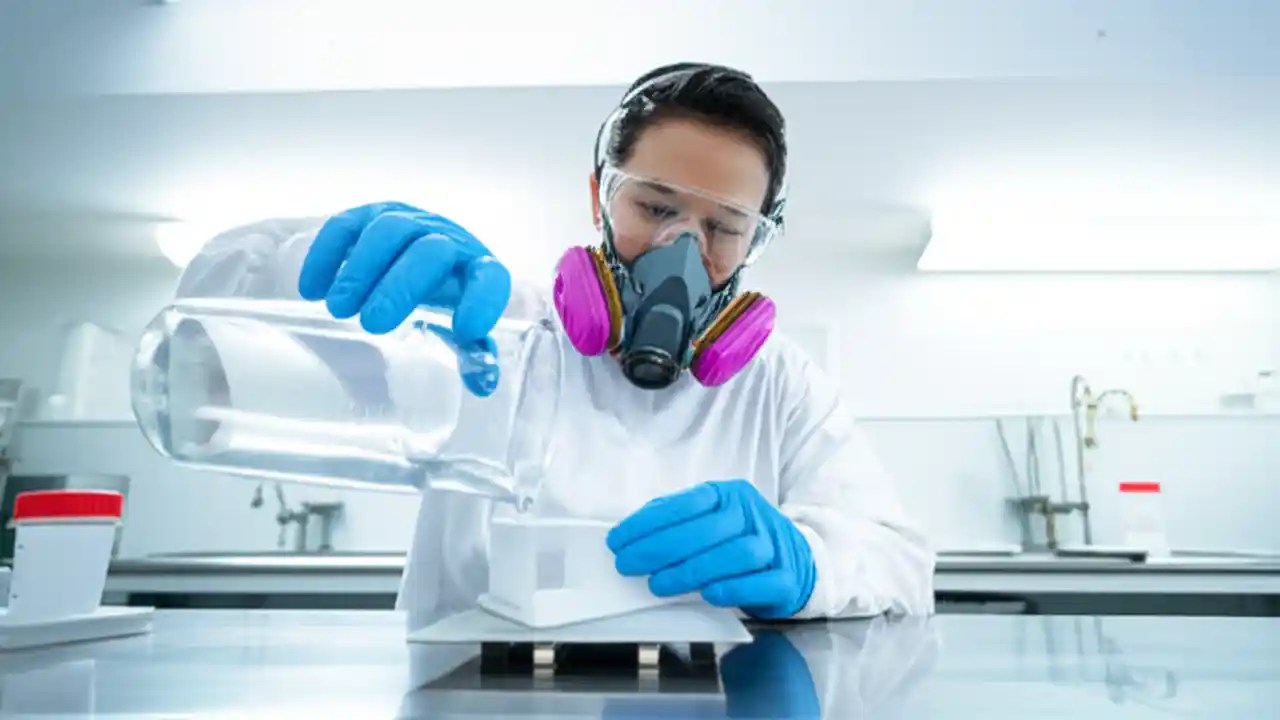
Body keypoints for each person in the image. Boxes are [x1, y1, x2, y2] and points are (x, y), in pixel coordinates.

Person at [177, 62, 934, 626]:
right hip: (472, 699)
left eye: (724, 227)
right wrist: (302, 263)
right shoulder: (492, 334)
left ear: (755, 241)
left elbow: (899, 562)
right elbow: (211, 339)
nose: (680, 249)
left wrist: (808, 565)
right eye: (656, 206)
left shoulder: (779, 382)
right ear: (600, 197)